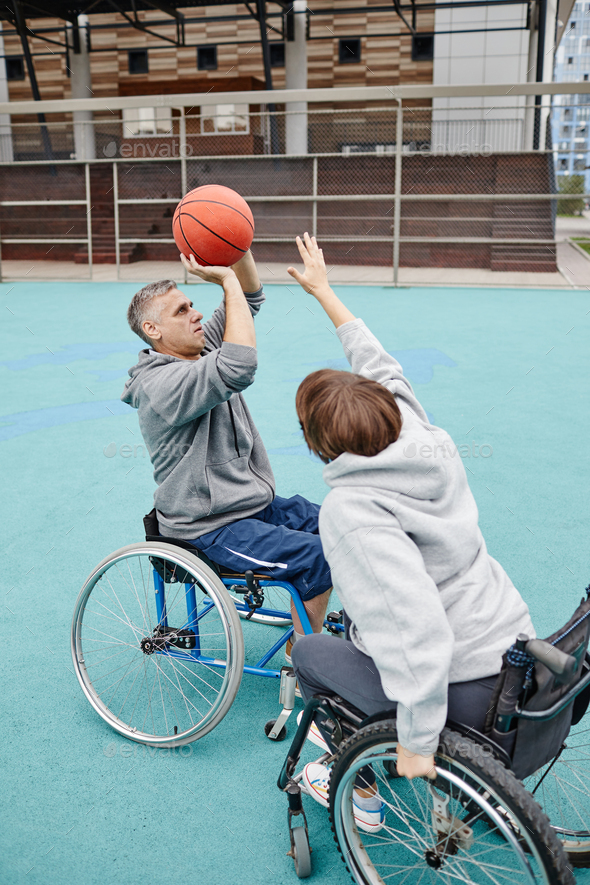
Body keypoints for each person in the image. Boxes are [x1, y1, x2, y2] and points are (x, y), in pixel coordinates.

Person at [286, 233, 535, 830]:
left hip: (461, 688)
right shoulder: (427, 438)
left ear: (318, 443)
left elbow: (415, 627)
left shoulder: (352, 509)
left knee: (314, 651)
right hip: (515, 651)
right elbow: (381, 368)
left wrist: (420, 741)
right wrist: (325, 293)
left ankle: (360, 793)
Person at [121, 250, 332, 643]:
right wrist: (227, 282)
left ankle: (332, 628)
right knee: (317, 556)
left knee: (349, 524)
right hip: (211, 526)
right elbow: (239, 365)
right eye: (182, 310)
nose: (195, 314)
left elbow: (249, 296)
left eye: (193, 305)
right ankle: (304, 664)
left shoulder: (197, 351)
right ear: (153, 329)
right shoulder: (161, 386)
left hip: (251, 506)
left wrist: (240, 246)